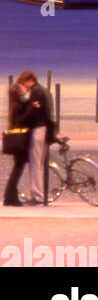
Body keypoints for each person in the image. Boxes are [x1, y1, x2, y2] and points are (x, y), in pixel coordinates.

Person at [5, 71, 55, 205]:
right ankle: (39, 195)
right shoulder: (43, 90)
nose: (24, 87)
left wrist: (31, 108)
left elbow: (32, 114)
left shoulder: (36, 92)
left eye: (23, 83)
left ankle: (37, 196)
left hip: (38, 129)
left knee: (35, 164)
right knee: (38, 163)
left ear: (29, 80)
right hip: (45, 129)